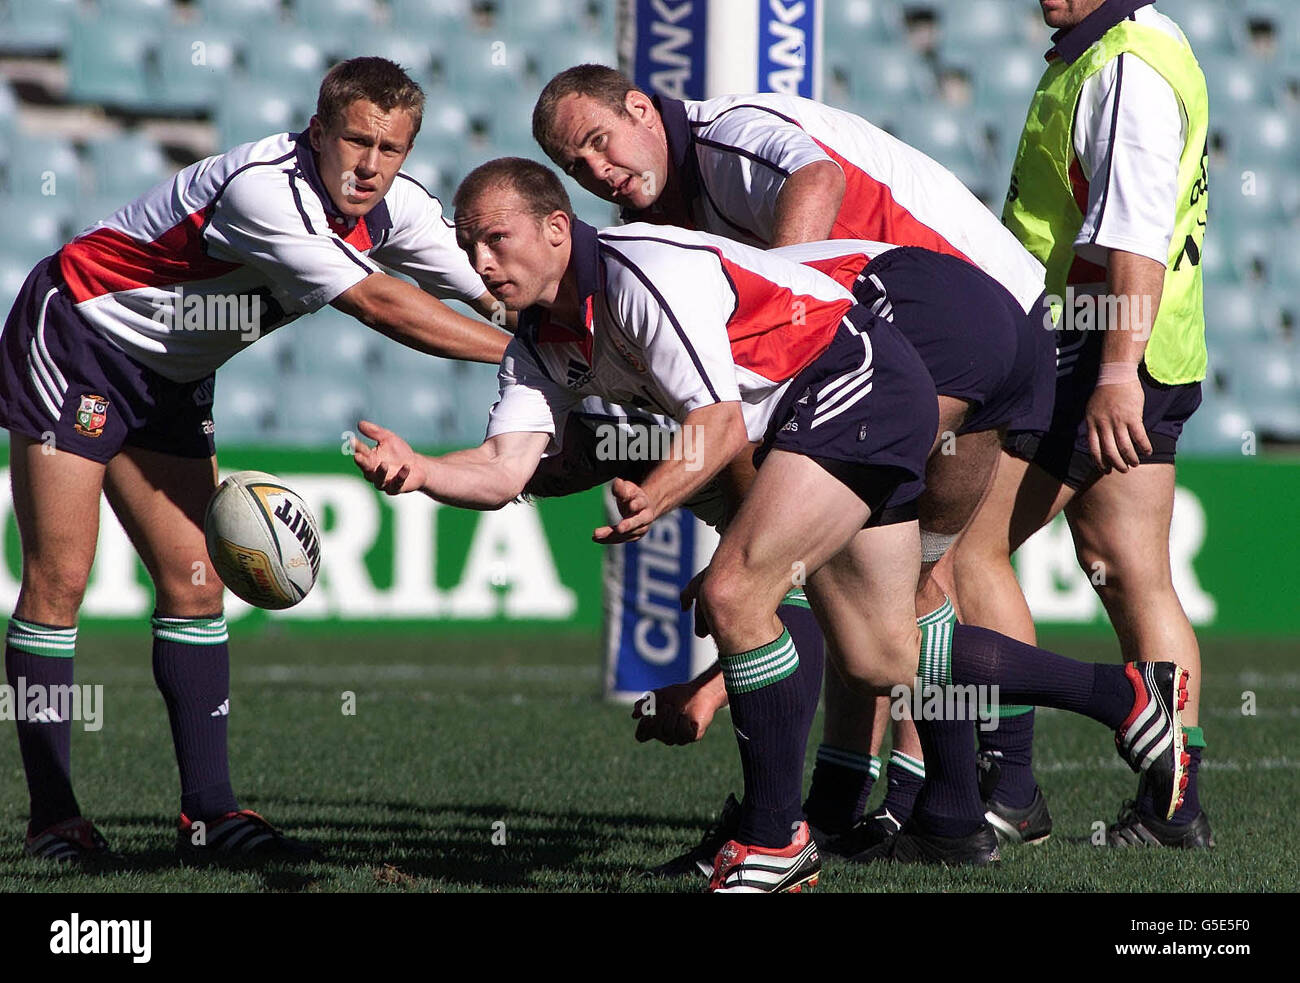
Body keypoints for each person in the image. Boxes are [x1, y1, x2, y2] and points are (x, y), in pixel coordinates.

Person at [352, 158, 1190, 891]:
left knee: (737, 589)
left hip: (853, 379)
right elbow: (507, 468)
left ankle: (776, 838)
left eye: (496, 239)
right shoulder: (538, 343)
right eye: (468, 247)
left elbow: (714, 424)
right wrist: (424, 470)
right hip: (832, 400)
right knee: (884, 652)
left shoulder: (636, 274)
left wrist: (662, 494)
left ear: (558, 229)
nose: (480, 262)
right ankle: (1122, 693)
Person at [530, 63, 1058, 849]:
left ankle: (865, 808)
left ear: (642, 108)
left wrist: (791, 343)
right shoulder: (669, 206)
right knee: (902, 574)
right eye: (578, 168)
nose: (599, 173)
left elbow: (818, 178)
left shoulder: (726, 134)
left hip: (958, 315)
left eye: (601, 143)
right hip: (940, 326)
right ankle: (915, 802)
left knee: (870, 563)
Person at [0, 57, 511, 863]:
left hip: (172, 375)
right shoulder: (264, 192)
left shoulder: (400, 210)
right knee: (60, 579)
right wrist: (530, 358)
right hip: (81, 335)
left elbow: (496, 290)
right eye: (356, 140)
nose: (371, 164)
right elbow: (381, 303)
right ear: (318, 131)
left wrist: (575, 342)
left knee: (198, 582)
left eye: (393, 149)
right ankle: (53, 821)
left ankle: (210, 816)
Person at [948, 0, 1213, 849]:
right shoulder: (1140, 43)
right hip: (1155, 344)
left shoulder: (1123, 65)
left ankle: (1012, 790)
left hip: (1098, 344)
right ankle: (1175, 806)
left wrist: (1110, 375)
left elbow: (1131, 233)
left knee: (961, 551)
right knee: (1130, 567)